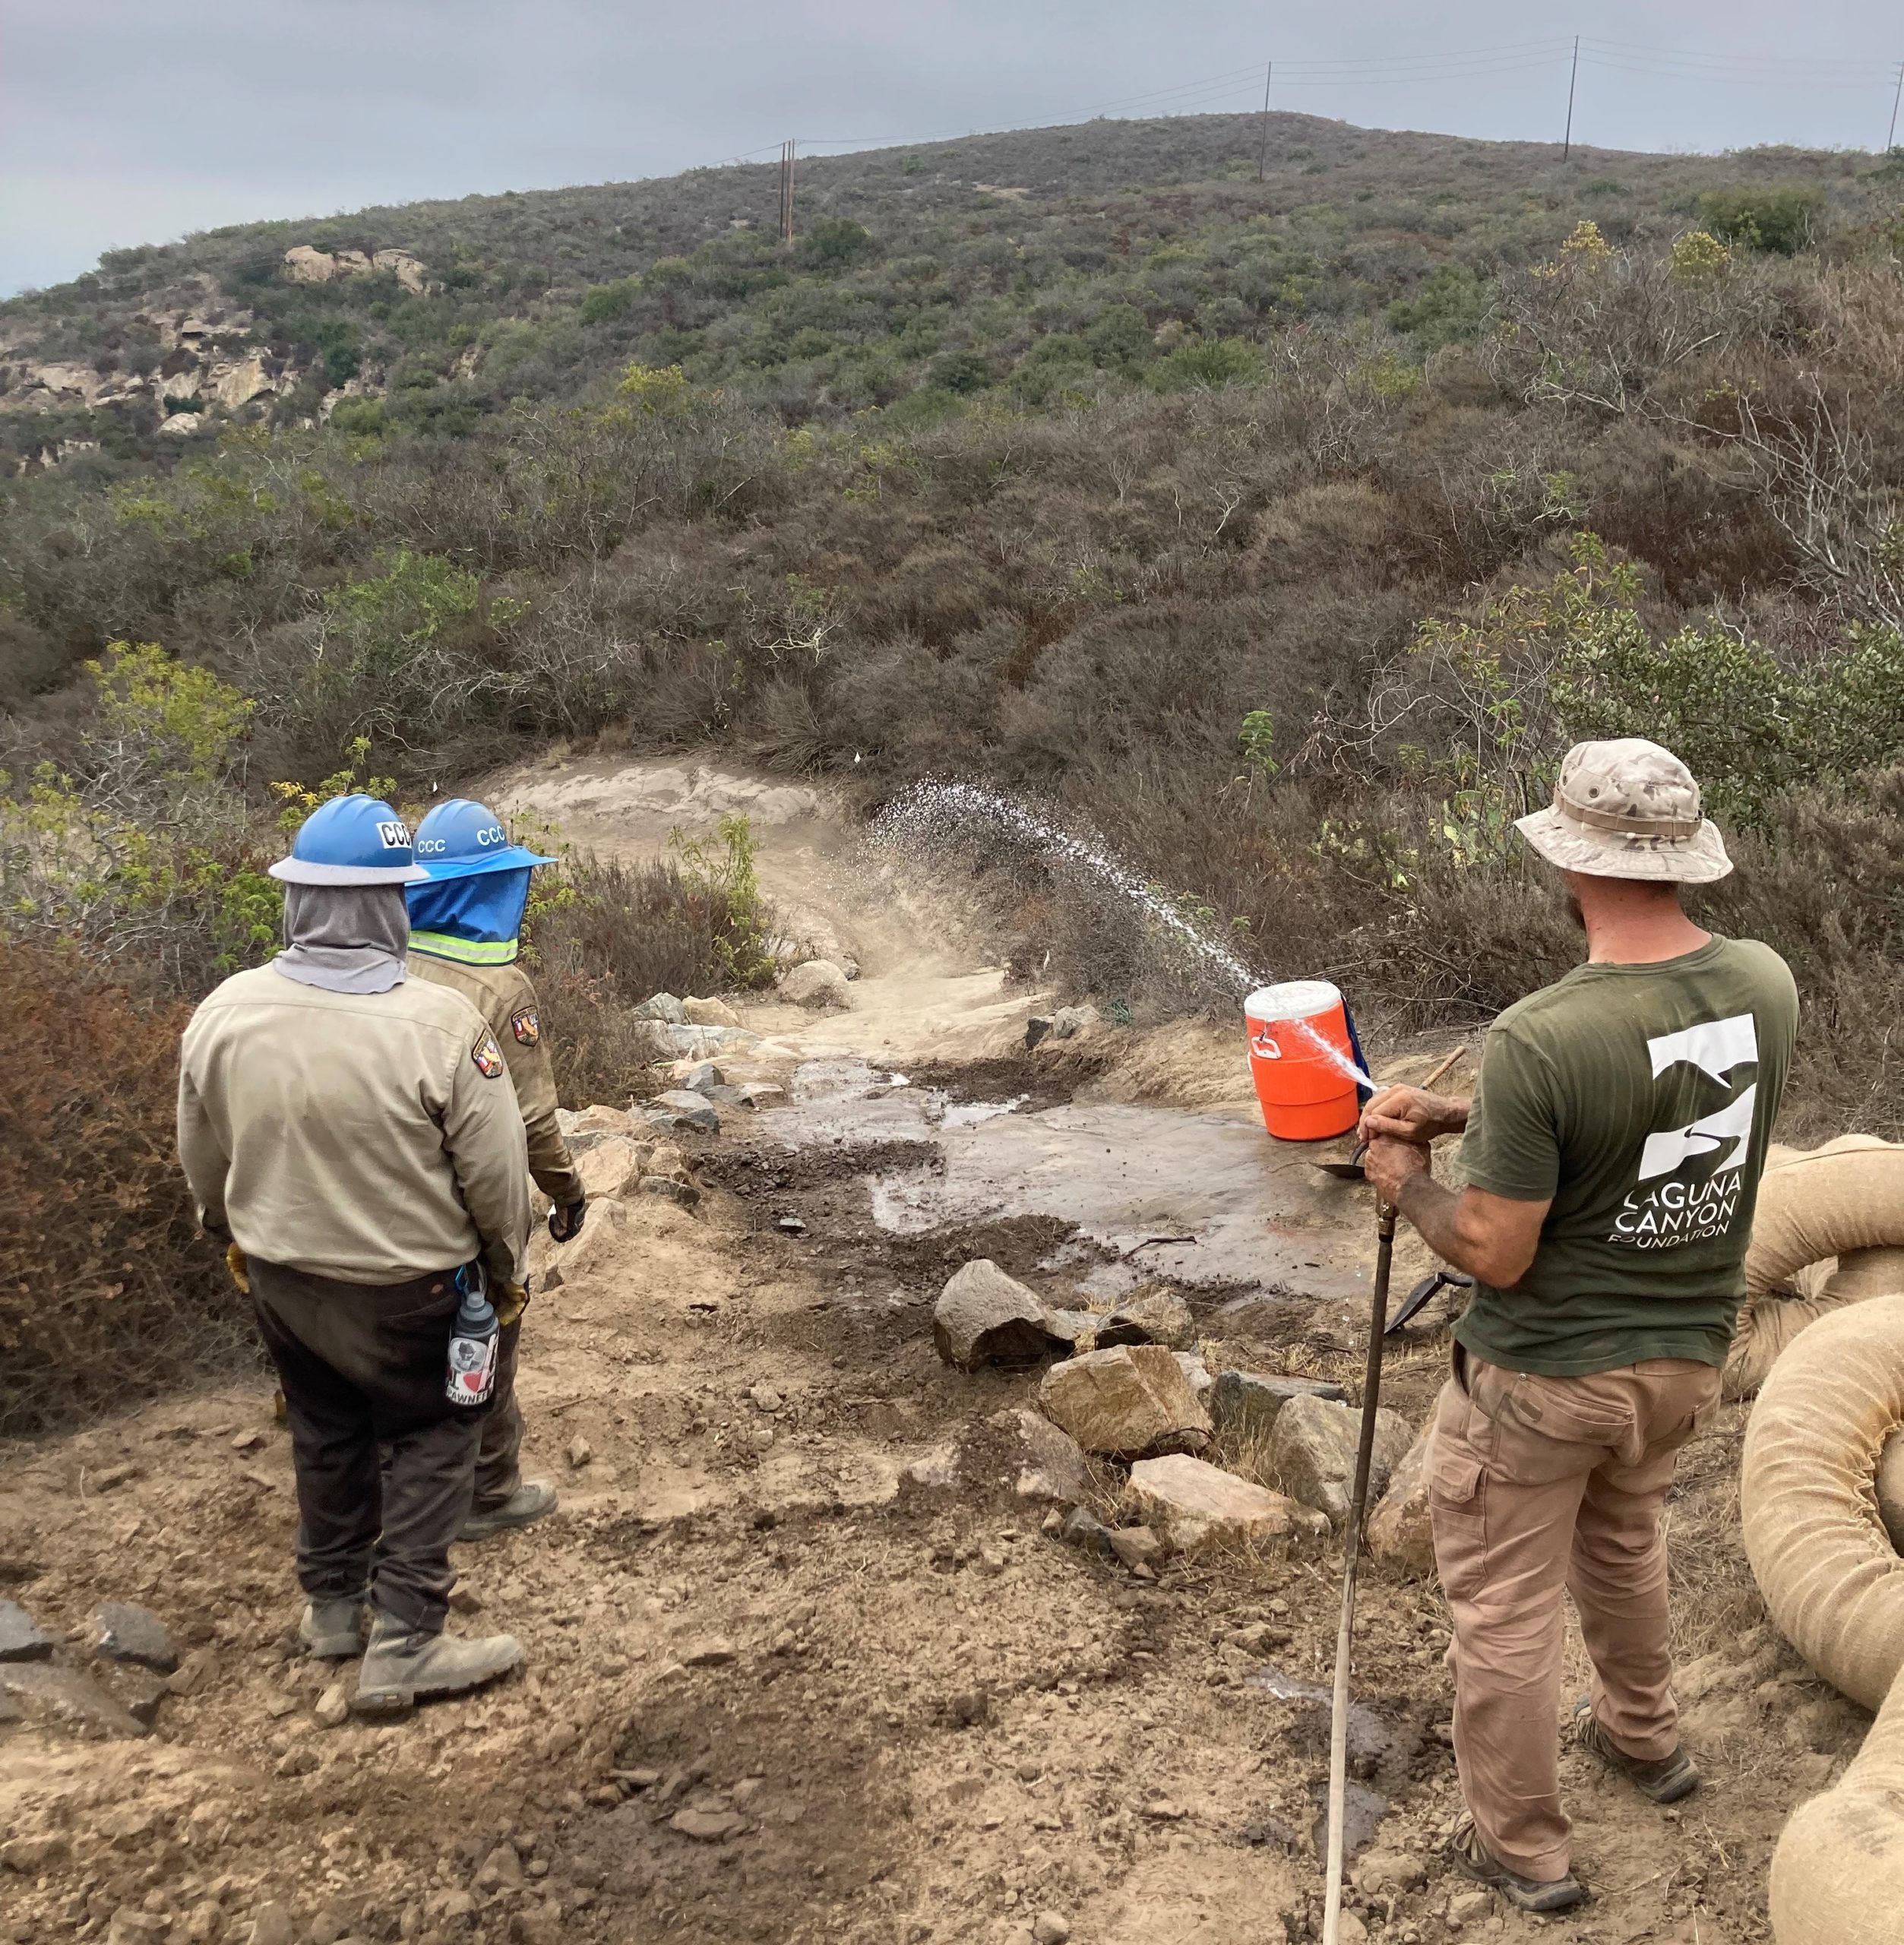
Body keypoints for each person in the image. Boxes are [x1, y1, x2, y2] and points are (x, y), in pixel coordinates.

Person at [1358, 738, 1798, 1913]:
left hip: (1544, 1379)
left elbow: (1494, 1249)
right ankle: (1647, 1741)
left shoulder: (1539, 1035)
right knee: (1622, 1547)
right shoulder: (1764, 981)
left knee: (1503, 1613)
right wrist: (1471, 1113)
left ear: (1573, 864)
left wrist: (1405, 1177)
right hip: (1682, 1362)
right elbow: (1661, 1099)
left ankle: (1524, 1848)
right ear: (1679, 861)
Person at [178, 794, 534, 1714]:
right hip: (414, 1288)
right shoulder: (441, 1025)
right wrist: (505, 1277)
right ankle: (408, 1639)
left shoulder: (223, 1011)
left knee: (326, 1429)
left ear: (297, 898)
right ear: (392, 902)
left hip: (286, 1283)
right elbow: (496, 1182)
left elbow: (203, 1157)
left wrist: (232, 1241)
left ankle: (333, 1608)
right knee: (435, 1436)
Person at [405, 797, 584, 1542]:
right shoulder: (502, 988)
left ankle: (402, 1486)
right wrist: (567, 1191)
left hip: (390, 1198)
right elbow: (534, 1118)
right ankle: (489, 1490)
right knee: (488, 1333)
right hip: (472, 1205)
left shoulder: (380, 963)